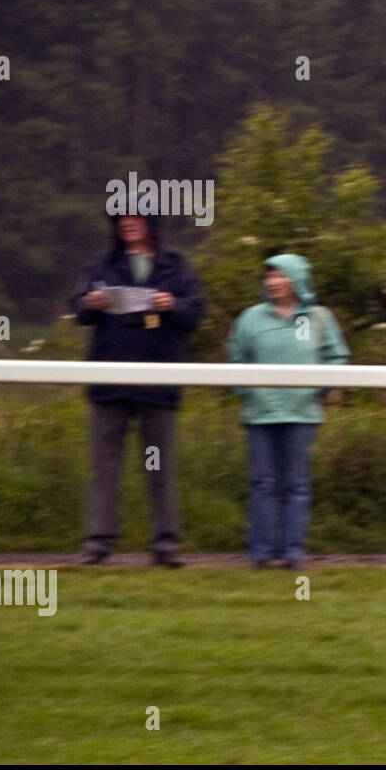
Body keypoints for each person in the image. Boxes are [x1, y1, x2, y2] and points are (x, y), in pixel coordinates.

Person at [70, 194, 204, 566]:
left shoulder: (175, 265)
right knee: (105, 468)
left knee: (158, 466)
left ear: (150, 222)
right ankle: (99, 544)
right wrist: (90, 304)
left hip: (158, 382)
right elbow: (77, 308)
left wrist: (171, 306)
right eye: (120, 219)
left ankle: (165, 545)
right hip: (108, 381)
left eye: (134, 218)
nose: (127, 223)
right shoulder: (103, 263)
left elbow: (195, 312)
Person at [227, 255, 349, 569]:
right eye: (268, 276)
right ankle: (261, 553)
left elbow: (338, 357)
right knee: (263, 484)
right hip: (260, 415)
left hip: (302, 415)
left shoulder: (320, 318)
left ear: (296, 279)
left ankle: (293, 552)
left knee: (296, 484)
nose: (272, 282)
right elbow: (236, 360)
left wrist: (318, 390)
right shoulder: (250, 318)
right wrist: (249, 392)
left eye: (279, 275)